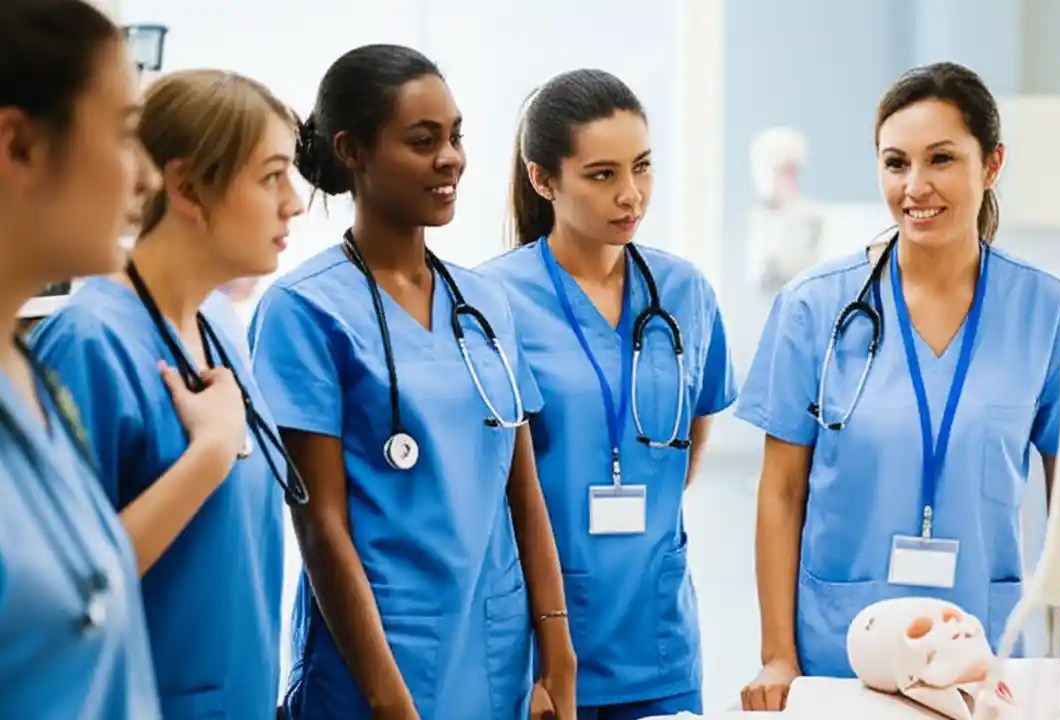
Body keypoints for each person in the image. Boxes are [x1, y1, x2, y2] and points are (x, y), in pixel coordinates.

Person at [735, 62, 1060, 711]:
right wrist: (778, 655)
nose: (915, 185)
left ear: (993, 163)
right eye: (896, 163)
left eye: (942, 159)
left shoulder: (1048, 313)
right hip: (837, 653)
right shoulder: (814, 308)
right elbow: (781, 493)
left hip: (982, 653)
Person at [247, 44, 576, 720]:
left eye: (456, 137)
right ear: (353, 151)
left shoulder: (487, 305)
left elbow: (523, 490)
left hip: (493, 655)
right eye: (423, 141)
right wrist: (388, 702)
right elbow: (320, 525)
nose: (450, 157)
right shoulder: (303, 311)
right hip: (377, 665)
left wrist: (558, 648)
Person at [28, 68, 307, 719]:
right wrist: (207, 458)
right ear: (187, 188)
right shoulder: (88, 343)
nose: (293, 200)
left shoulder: (223, 326)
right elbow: (66, 589)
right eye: (271, 176)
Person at [477, 68, 738, 720]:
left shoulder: (685, 293)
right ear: (544, 179)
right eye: (602, 175)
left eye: (643, 167)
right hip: (537, 644)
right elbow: (487, 478)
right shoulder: (491, 302)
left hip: (657, 638)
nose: (632, 195)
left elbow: (691, 433)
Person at [0, 2, 161, 716]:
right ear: (18, 146)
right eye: (128, 135)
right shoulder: (83, 341)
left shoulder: (27, 374)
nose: (147, 179)